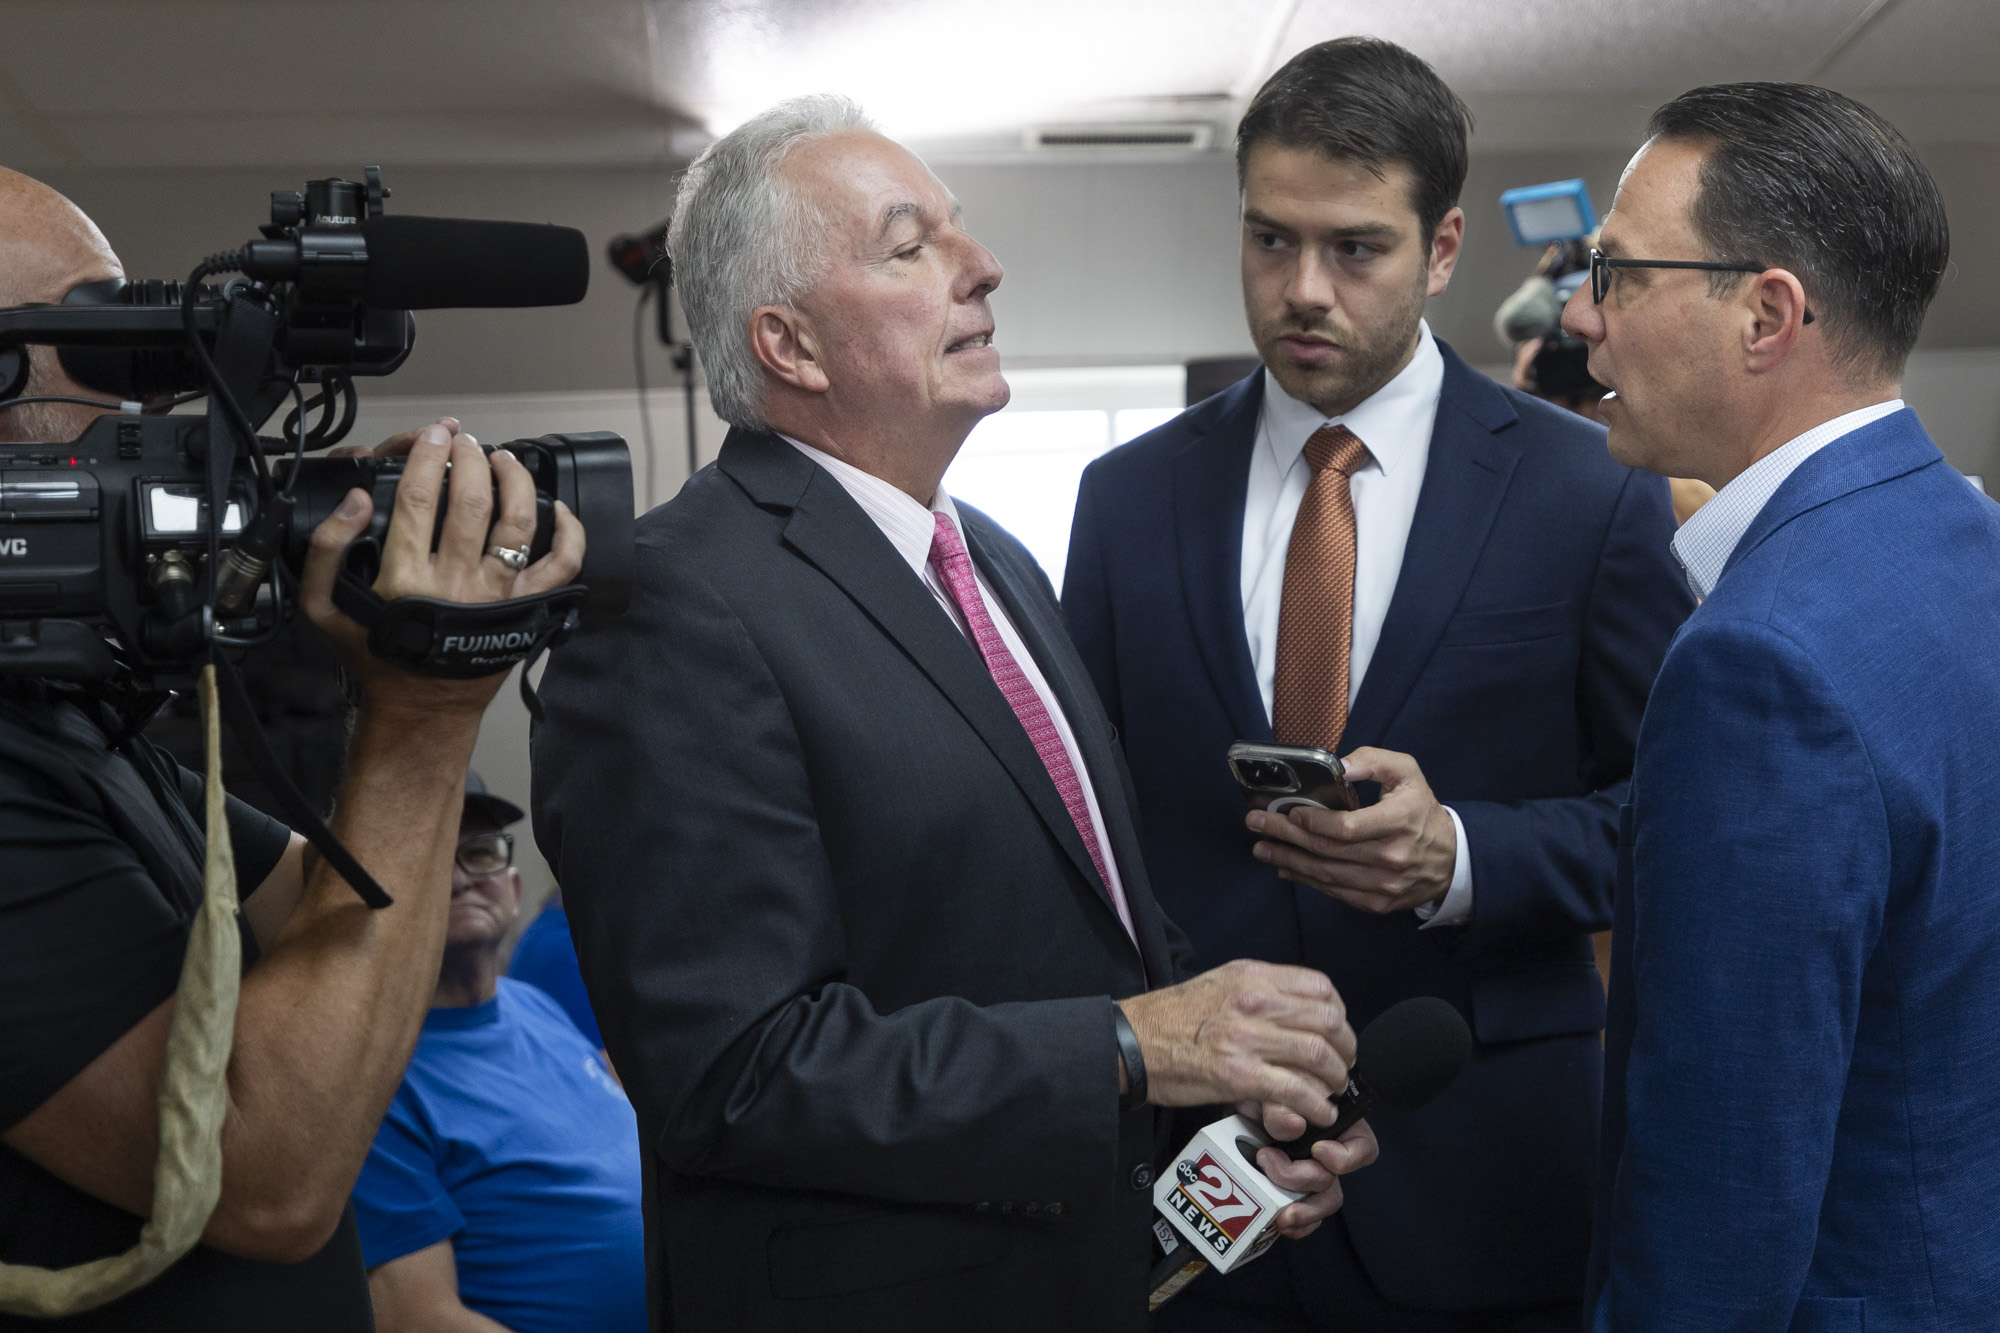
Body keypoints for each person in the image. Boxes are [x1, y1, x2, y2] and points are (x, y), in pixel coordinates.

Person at [531, 95, 1376, 1332]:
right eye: (908, 245)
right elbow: (733, 1072)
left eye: (958, 229)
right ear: (790, 345)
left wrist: (1236, 1076)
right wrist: (1133, 1047)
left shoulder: (993, 561)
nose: (982, 266)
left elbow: (1083, 933)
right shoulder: (667, 601)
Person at [1061, 39, 1694, 1332]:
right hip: (1198, 1177)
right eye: (1270, 241)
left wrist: (1464, 854)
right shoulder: (1125, 498)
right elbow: (1080, 834)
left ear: (1442, 248)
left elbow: (1677, 819)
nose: (1303, 290)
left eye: (1355, 249)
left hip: (1483, 1177)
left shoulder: (1590, 492)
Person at [0, 167, 585, 1329]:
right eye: (106, 343)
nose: (153, 396)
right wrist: (428, 718)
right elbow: (267, 1178)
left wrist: (386, 631)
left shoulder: (63, 722)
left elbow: (340, 918)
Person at [1562, 82, 2000, 1330]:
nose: (1580, 315)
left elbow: (1719, 1204)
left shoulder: (1757, 665)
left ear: (1765, 315)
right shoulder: (1965, 538)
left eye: (1616, 272)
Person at [354, 773, 645, 1333]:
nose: (460, 878)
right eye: (429, 859)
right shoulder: (376, 1079)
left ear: (513, 888)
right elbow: (418, 1320)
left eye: (480, 853)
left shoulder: (533, 1005)